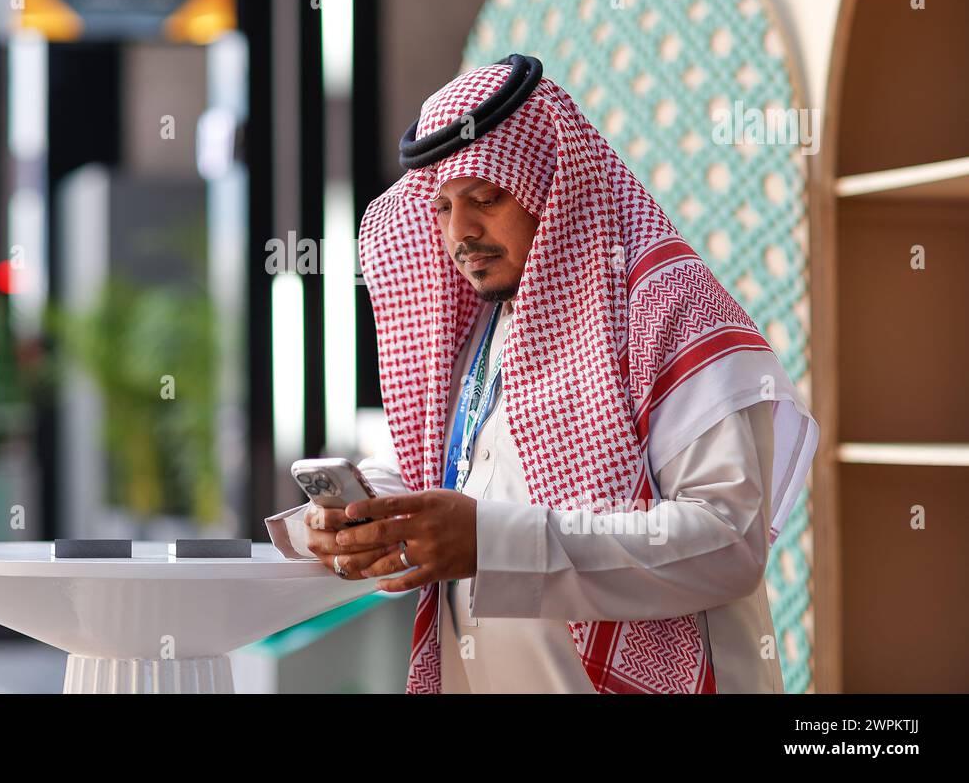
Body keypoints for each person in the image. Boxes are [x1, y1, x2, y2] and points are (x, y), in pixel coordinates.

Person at [266, 53, 819, 694]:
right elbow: (455, 475)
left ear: (555, 187)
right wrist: (360, 520)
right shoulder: (477, 326)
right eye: (443, 208)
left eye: (486, 199)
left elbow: (726, 541)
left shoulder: (668, 309)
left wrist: (491, 543)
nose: (460, 233)